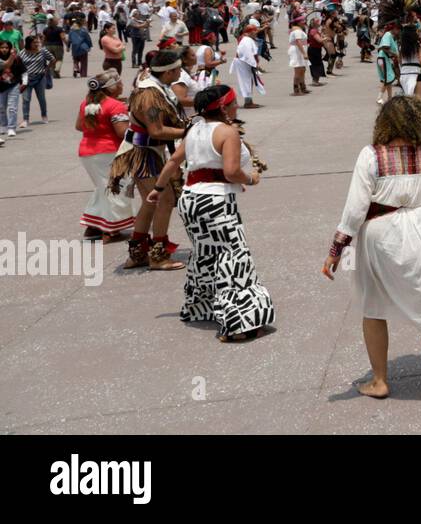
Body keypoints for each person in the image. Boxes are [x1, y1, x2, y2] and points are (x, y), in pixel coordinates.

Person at [324, 95, 421, 399]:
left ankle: (379, 381)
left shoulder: (371, 156)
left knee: (373, 306)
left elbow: (355, 208)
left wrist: (336, 249)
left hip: (380, 234)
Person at [151, 84, 275, 342]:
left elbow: (174, 161)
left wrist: (158, 188)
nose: (236, 105)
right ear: (222, 107)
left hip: (190, 201)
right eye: (232, 102)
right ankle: (238, 322)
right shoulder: (227, 132)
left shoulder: (195, 129)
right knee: (233, 256)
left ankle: (203, 308)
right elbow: (231, 172)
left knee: (205, 254)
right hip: (215, 202)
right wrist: (250, 179)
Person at [109, 49, 188, 270]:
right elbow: (157, 130)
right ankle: (158, 256)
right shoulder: (149, 94)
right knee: (164, 199)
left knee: (151, 202)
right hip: (144, 152)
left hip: (148, 150)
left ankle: (138, 253)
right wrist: (188, 132)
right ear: (169, 72)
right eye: (178, 69)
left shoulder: (156, 86)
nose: (181, 72)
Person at [76, 70, 134, 241]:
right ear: (112, 87)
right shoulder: (115, 106)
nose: (123, 85)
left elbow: (79, 126)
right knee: (117, 188)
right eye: (120, 82)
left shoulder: (86, 103)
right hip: (109, 153)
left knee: (103, 188)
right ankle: (110, 229)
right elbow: (122, 132)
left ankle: (93, 226)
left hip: (87, 152)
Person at [17, 34, 54, 127]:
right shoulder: (22, 53)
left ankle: (44, 115)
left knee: (41, 98)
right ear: (29, 43)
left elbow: (53, 59)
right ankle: (26, 119)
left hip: (40, 78)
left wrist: (46, 69)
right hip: (26, 79)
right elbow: (17, 65)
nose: (37, 44)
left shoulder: (43, 51)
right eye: (34, 42)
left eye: (37, 42)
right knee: (26, 99)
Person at [230, 24, 265, 109]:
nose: (256, 33)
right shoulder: (246, 40)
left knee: (249, 82)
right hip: (244, 63)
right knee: (246, 82)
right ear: (250, 31)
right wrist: (254, 64)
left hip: (245, 63)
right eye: (255, 31)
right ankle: (248, 102)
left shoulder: (248, 39)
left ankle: (249, 101)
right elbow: (248, 54)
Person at [397, 21, 421, 98]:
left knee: (408, 98)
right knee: (420, 99)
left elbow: (399, 60)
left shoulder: (401, 47)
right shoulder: (418, 46)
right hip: (416, 73)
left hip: (404, 73)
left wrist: (403, 68)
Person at [0, 39, 19, 141]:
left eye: (6, 48)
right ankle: (3, 125)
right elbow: (6, 64)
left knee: (12, 108)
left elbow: (8, 65)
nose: (4, 50)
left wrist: (24, 82)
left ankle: (11, 127)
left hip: (12, 85)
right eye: (2, 47)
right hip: (1, 87)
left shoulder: (16, 58)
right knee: (1, 108)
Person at [288, 15, 310, 96]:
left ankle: (302, 86)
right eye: (303, 21)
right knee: (298, 70)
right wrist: (304, 53)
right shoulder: (297, 31)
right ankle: (296, 89)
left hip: (299, 50)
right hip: (297, 51)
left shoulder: (299, 29)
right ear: (298, 22)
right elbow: (298, 42)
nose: (304, 22)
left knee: (302, 69)